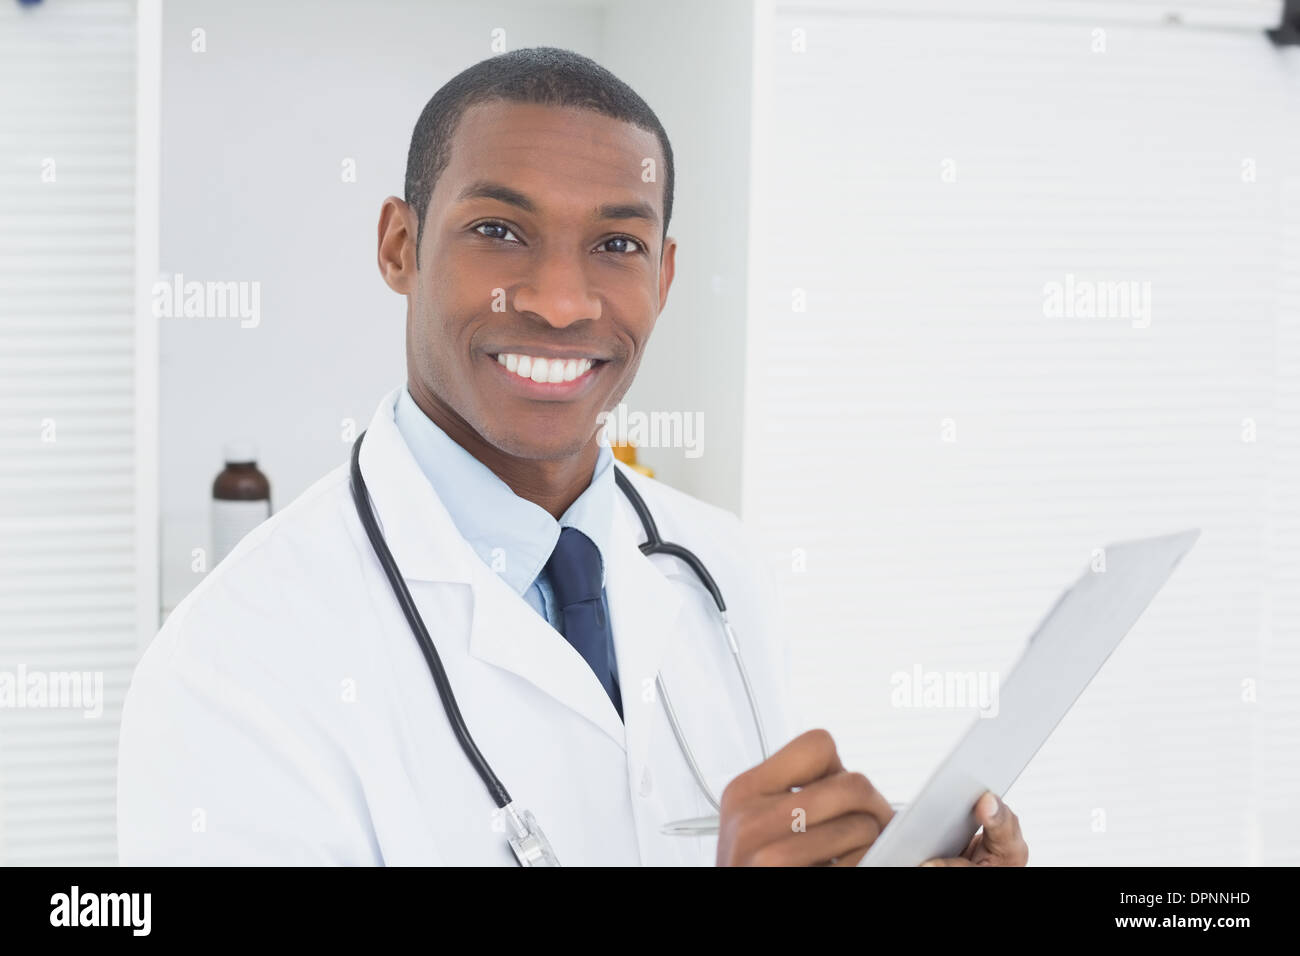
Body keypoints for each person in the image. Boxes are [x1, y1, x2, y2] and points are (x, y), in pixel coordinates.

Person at [117, 46, 1028, 867]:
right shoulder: (231, 666)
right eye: (500, 232)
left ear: (664, 278)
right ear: (401, 246)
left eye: (617, 244)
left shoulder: (726, 572)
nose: (559, 302)